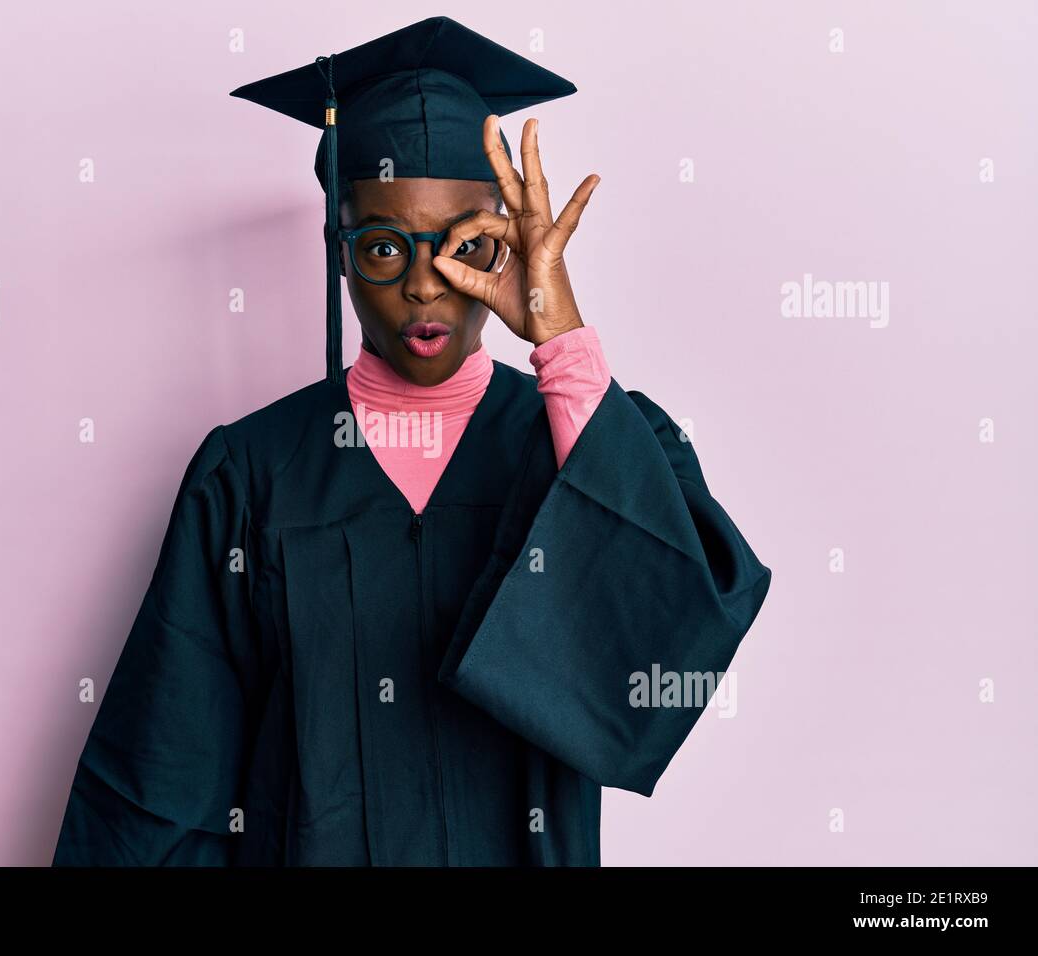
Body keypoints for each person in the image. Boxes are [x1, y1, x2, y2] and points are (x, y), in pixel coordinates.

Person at [51, 15, 771, 867]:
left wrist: (562, 337)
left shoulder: (576, 441)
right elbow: (166, 774)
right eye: (385, 247)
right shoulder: (250, 475)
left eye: (468, 247)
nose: (426, 285)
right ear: (341, 252)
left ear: (507, 245)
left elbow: (675, 620)